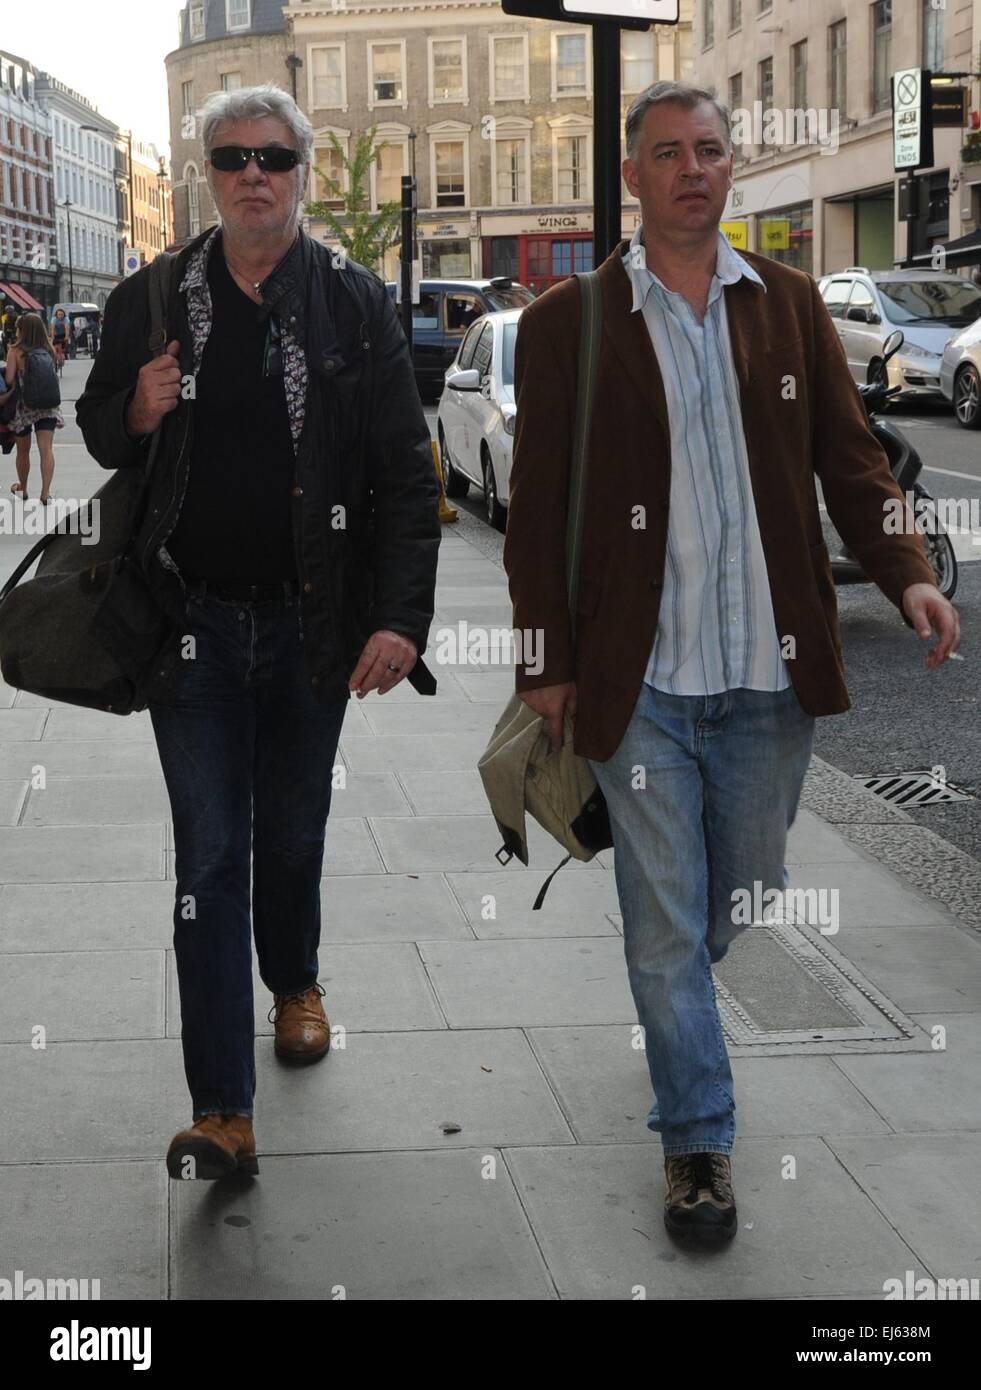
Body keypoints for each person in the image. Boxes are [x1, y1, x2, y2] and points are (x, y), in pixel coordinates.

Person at [503, 81, 960, 1249]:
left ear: (728, 169)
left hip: (769, 670)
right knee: (663, 927)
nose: (694, 169)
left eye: (710, 150)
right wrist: (544, 662)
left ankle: (678, 1012)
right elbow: (537, 507)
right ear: (633, 177)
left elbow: (852, 460)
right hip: (640, 680)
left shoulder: (791, 304)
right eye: (669, 153)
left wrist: (905, 568)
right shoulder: (574, 322)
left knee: (736, 896)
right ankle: (696, 1138)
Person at [75, 83, 440, 1182]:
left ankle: (296, 979)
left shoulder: (350, 300)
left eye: (272, 157)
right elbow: (98, 431)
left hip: (310, 629)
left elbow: (401, 478)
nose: (252, 175)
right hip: (188, 627)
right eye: (231, 156)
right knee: (212, 852)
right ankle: (223, 1109)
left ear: (302, 171)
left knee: (287, 838)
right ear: (206, 172)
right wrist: (134, 411)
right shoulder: (153, 297)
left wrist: (402, 618)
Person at [3, 311, 64, 504]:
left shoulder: (15, 351)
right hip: (47, 406)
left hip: (24, 408)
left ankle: (23, 488)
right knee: (46, 450)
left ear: (22, 329)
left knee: (23, 451)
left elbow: (9, 379)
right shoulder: (48, 349)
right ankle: (45, 494)